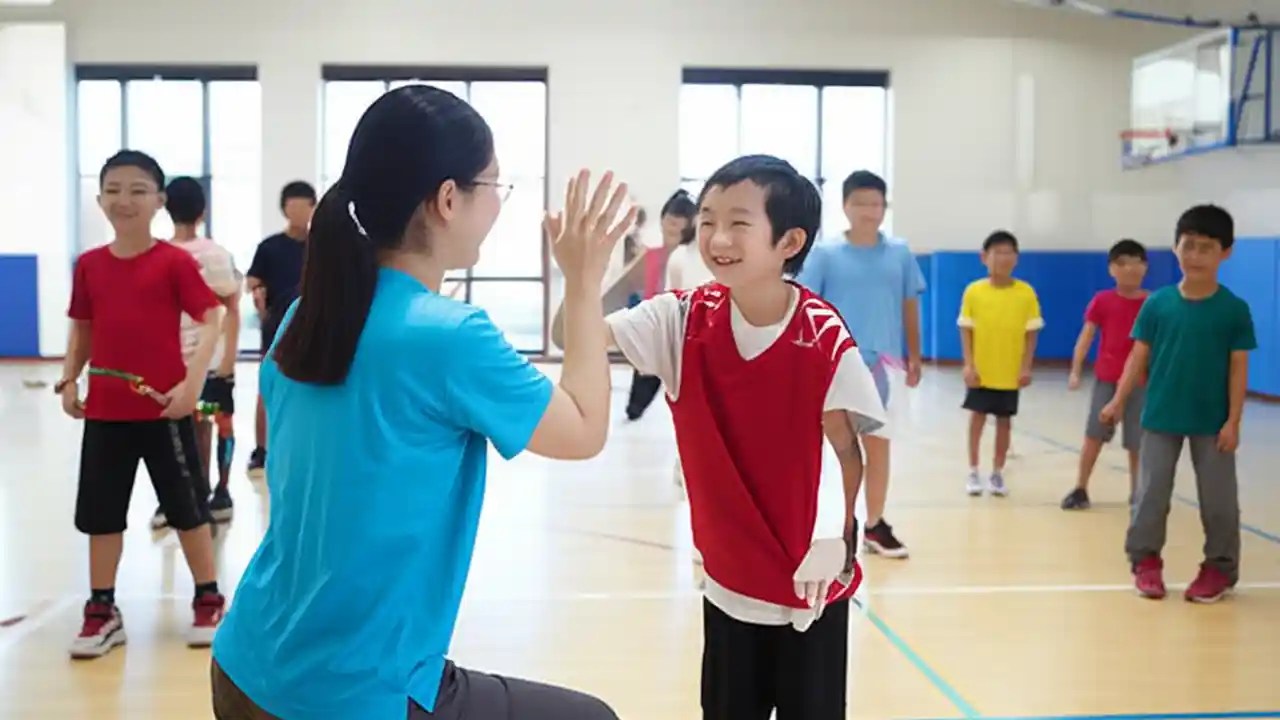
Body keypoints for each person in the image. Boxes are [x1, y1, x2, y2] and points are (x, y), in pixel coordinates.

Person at [210, 85, 633, 719]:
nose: (498, 204)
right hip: (349, 695)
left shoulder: (306, 315)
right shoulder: (448, 335)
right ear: (446, 199)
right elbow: (583, 430)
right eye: (493, 186)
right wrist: (582, 279)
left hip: (244, 666)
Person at [603, 155, 887, 719]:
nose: (717, 237)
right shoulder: (681, 321)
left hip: (813, 587)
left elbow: (846, 447)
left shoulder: (821, 331)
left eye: (738, 222)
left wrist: (837, 531)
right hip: (730, 584)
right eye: (707, 220)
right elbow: (574, 334)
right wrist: (593, 272)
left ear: (789, 242)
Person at [55, 150, 226, 659]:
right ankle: (102, 609)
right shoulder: (89, 266)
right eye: (113, 189)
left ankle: (208, 596)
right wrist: (69, 380)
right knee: (100, 514)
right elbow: (82, 328)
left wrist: (192, 384)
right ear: (100, 198)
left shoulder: (175, 262)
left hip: (164, 412)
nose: (123, 200)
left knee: (187, 510)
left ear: (158, 200)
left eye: (136, 190)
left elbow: (212, 314)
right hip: (105, 414)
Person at [1102, 205, 1255, 603]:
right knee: (1150, 494)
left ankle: (1220, 568)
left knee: (1219, 501)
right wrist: (1118, 401)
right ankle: (1145, 562)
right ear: (1175, 249)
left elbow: (1238, 369)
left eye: (1206, 248)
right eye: (1188, 246)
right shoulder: (1158, 304)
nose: (1195, 256)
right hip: (1160, 417)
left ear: (1226, 253)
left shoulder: (1233, 310)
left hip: (1213, 421)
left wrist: (1233, 421)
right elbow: (1138, 357)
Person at [797, 170, 923, 559]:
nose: (870, 211)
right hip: (834, 366)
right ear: (846, 206)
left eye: (876, 204)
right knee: (830, 449)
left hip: (884, 367)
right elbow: (806, 307)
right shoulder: (825, 255)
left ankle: (874, 524)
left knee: (879, 447)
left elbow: (909, 305)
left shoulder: (899, 254)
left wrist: (915, 355)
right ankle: (822, 526)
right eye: (861, 203)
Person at [151, 177, 242, 529]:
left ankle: (179, 498)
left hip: (174, 361)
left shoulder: (158, 255)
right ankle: (216, 493)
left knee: (178, 429)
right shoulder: (217, 255)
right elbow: (232, 308)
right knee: (215, 423)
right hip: (212, 360)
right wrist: (228, 362)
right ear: (202, 212)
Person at [1061, 239, 1148, 510]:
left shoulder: (1153, 302)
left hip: (1143, 382)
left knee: (1138, 442)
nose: (1130, 269)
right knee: (1094, 435)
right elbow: (1086, 337)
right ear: (1112, 269)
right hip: (1108, 379)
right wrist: (1075, 370)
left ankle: (1138, 493)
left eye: (1136, 263)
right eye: (1122, 263)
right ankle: (1081, 488)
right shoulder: (1103, 300)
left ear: (1145, 267)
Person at [957, 230, 1042, 497]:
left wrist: (1026, 366)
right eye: (997, 252)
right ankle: (973, 471)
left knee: (1004, 422)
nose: (1003, 258)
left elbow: (1031, 333)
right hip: (982, 372)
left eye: (1008, 252)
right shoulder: (974, 291)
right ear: (985, 257)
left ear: (1016, 258)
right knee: (977, 419)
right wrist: (969, 365)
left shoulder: (1026, 293)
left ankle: (997, 473)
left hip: (1009, 372)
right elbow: (966, 330)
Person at [243, 180, 316, 478]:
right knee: (267, 388)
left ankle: (305, 448)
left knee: (312, 389)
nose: (298, 212)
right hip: (276, 327)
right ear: (284, 209)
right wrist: (259, 295)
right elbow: (252, 280)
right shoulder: (270, 247)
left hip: (314, 326)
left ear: (313, 208)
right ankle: (262, 449)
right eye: (292, 206)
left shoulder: (322, 246)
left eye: (304, 206)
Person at [624, 189, 698, 421]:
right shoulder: (650, 256)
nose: (672, 230)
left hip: (684, 329)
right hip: (654, 325)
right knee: (645, 374)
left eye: (678, 226)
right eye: (669, 223)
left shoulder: (692, 257)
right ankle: (635, 408)